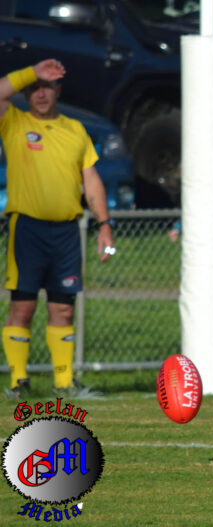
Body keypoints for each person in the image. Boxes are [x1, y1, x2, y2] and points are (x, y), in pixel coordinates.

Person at [0, 59, 115, 399]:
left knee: (63, 308)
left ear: (57, 91)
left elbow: (91, 180)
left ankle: (64, 382)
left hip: (66, 232)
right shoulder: (15, 122)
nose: (39, 94)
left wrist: (104, 225)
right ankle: (17, 381)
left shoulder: (75, 130)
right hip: (27, 229)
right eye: (34, 89)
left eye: (46, 88)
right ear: (26, 93)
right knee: (23, 306)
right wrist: (32, 72)